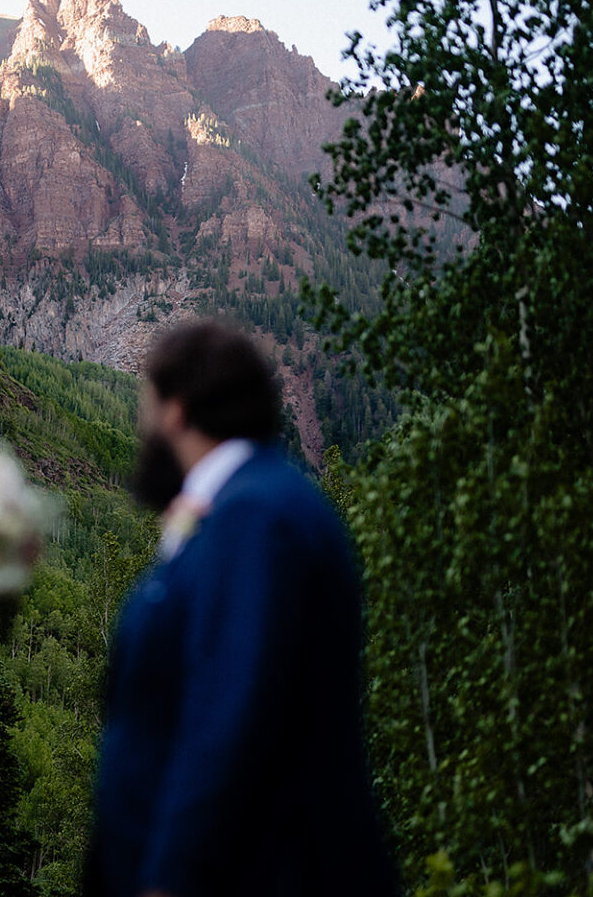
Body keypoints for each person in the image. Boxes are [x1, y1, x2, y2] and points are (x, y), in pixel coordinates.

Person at [88, 321, 398, 897]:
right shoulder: (250, 505)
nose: (142, 427)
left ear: (176, 412)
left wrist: (173, 877)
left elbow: (230, 711)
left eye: (145, 407)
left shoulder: (255, 517)